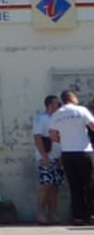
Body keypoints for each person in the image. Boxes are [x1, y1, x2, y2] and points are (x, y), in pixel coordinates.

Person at [51, 89, 94, 225]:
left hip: (67, 153)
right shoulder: (81, 110)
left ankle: (78, 216)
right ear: (72, 98)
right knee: (89, 184)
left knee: (74, 186)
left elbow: (53, 136)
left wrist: (64, 140)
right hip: (83, 151)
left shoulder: (57, 115)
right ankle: (91, 214)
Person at [33, 93, 65, 224]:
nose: (60, 106)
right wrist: (44, 156)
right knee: (46, 185)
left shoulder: (60, 119)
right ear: (50, 105)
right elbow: (38, 137)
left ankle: (53, 213)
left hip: (58, 156)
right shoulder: (42, 119)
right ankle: (41, 214)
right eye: (58, 104)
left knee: (55, 187)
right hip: (46, 156)